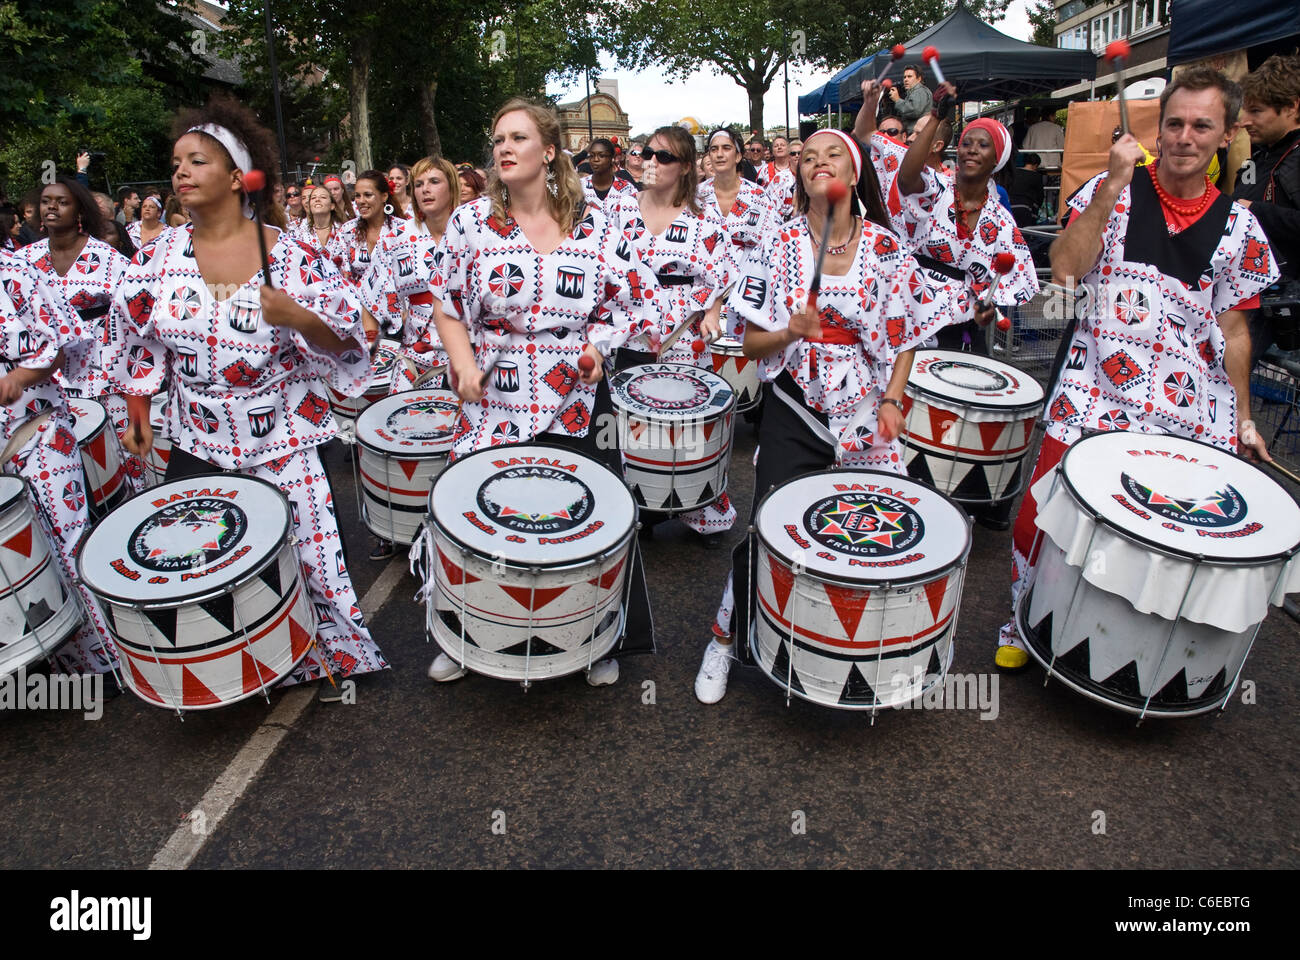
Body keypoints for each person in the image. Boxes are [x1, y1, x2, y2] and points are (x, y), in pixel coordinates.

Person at [994, 67, 1279, 670]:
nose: (1184, 136)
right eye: (1174, 122)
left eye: (1202, 125)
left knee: (1155, 536)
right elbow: (1066, 272)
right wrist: (1111, 186)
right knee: (1042, 517)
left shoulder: (1240, 227)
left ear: (1225, 135)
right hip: (1092, 388)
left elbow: (1233, 330)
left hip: (1184, 408)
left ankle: (1119, 647)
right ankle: (1022, 617)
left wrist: (1246, 419)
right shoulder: (1112, 187)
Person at [106, 94, 389, 699]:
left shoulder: (286, 255)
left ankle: (327, 658)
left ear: (237, 177)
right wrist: (138, 414)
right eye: (177, 161)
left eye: (198, 161)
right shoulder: (153, 262)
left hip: (281, 431)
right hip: (197, 433)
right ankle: (228, 669)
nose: (181, 172)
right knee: (201, 559)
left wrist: (299, 317)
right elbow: (136, 343)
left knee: (309, 554)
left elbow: (350, 339)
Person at [693, 128, 950, 703]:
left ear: (854, 173)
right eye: (806, 156)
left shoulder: (886, 248)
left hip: (864, 405)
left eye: (832, 154)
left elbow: (904, 334)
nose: (817, 162)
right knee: (771, 522)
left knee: (880, 528)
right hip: (795, 402)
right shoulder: (776, 245)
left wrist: (891, 401)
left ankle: (872, 652)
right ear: (797, 176)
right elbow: (752, 346)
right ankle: (724, 637)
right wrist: (790, 330)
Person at [428, 97, 669, 686]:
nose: (503, 148)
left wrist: (597, 345)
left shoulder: (599, 222)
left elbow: (630, 297)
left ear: (550, 151)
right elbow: (447, 305)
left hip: (576, 389)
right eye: (498, 139)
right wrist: (462, 366)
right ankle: (466, 635)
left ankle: (599, 635)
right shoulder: (468, 223)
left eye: (517, 138)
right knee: (478, 512)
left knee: (594, 513)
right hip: (495, 384)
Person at [610, 125, 738, 544]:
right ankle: (641, 505)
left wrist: (713, 311)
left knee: (685, 421)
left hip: (683, 329)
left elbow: (723, 275)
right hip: (630, 327)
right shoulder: (619, 209)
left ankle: (699, 509)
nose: (651, 162)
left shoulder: (703, 220)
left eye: (663, 157)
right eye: (647, 154)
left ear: (684, 166)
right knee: (634, 420)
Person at [0, 250, 121, 676]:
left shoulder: (13, 270)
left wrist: (16, 378)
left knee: (65, 541)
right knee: (19, 559)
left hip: (36, 428)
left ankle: (99, 658)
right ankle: (36, 656)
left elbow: (54, 348)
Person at [357, 155, 460, 561]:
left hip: (465, 361)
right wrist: (367, 342)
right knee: (399, 442)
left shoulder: (476, 231)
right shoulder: (396, 238)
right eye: (419, 184)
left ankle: (454, 527)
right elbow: (370, 298)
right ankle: (399, 524)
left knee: (456, 447)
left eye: (435, 181)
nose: (425, 190)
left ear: (451, 185)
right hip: (413, 357)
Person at [19, 177, 132, 404]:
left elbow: (132, 313)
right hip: (45, 370)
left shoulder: (107, 258)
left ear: (79, 211)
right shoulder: (24, 259)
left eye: (62, 202)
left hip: (101, 369)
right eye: (45, 201)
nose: (51, 206)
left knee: (104, 436)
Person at [1232, 53, 1300, 368]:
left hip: (1280, 304)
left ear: (1292, 107)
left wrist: (1255, 211)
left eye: (1256, 111)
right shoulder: (1255, 161)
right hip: (1245, 295)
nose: (1245, 120)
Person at [700, 127, 780, 257]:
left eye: (726, 148)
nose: (719, 154)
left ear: (738, 156)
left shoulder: (758, 196)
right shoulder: (696, 195)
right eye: (714, 149)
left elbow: (774, 242)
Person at [329, 170, 411, 294]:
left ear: (384, 196)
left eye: (368, 195)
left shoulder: (403, 229)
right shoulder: (347, 231)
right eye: (357, 195)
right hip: (358, 305)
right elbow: (335, 273)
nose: (361, 201)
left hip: (400, 306)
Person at [297, 183, 348, 274]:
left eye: (323, 197)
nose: (317, 200)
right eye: (313, 198)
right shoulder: (300, 235)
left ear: (332, 206)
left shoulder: (345, 231)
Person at [580, 138, 637, 216]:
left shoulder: (627, 189)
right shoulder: (579, 186)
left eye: (601, 155)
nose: (595, 159)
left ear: (611, 157)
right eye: (592, 156)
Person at [890, 63, 934, 134]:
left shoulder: (919, 91)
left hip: (917, 134)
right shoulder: (915, 91)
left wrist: (897, 100)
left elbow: (914, 110)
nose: (906, 80)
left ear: (919, 79)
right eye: (904, 77)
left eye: (909, 76)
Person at [1008, 152, 1046, 227]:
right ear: (1035, 165)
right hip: (1025, 207)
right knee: (1026, 234)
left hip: (1010, 205)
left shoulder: (1014, 172)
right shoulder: (1036, 176)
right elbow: (1040, 196)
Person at [1022, 107, 1065, 172]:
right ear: (1050, 116)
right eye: (1054, 116)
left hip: (1036, 165)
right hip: (1053, 164)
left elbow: (1025, 146)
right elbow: (1062, 146)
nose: (1055, 118)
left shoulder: (1032, 128)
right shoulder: (1056, 128)